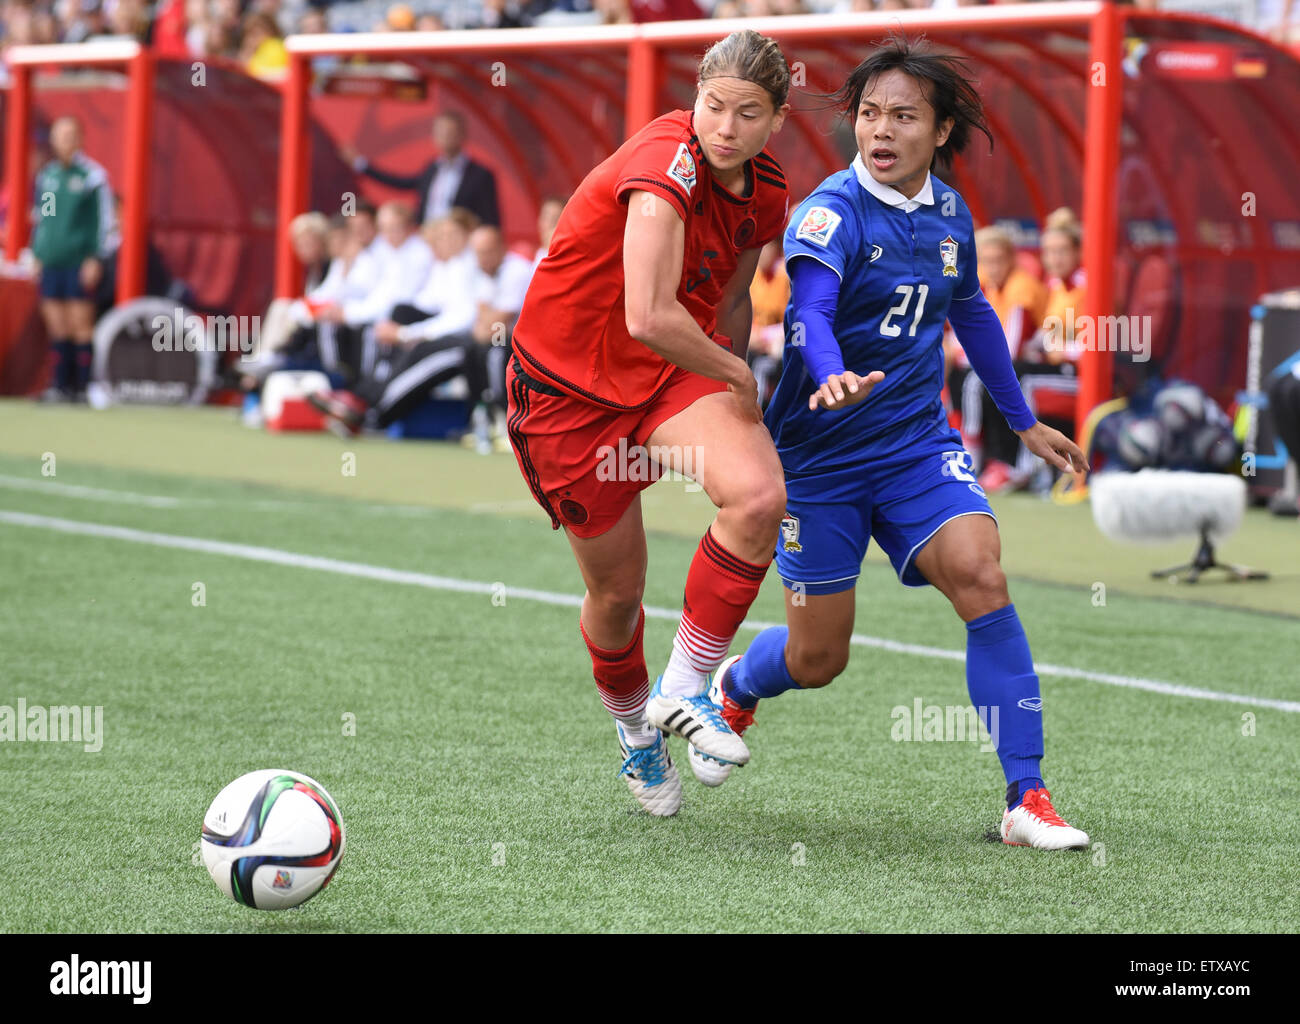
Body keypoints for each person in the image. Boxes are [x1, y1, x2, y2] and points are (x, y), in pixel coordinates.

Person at [697, 34, 1092, 851]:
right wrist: (832, 371)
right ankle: (736, 682)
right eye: (870, 114)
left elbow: (972, 311)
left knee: (982, 573)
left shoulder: (949, 212)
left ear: (941, 130)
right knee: (817, 659)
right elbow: (809, 311)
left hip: (916, 446)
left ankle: (1027, 798)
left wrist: (1022, 420)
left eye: (904, 116)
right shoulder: (831, 210)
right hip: (817, 461)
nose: (881, 130)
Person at [505, 29, 792, 817]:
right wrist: (740, 373)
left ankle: (685, 686)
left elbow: (731, 300)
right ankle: (636, 731)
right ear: (692, 97)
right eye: (712, 105)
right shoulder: (666, 159)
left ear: (776, 119)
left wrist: (729, 383)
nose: (725, 126)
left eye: (748, 112)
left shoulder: (768, 188)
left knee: (760, 496)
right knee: (618, 593)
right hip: (567, 393)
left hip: (670, 370)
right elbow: (646, 313)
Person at [29, 116, 117, 402]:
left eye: (70, 136)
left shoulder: (91, 176)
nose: (64, 141)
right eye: (59, 135)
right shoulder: (49, 177)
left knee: (80, 322)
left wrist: (95, 257)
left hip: (79, 260)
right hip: (52, 260)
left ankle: (84, 386)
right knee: (56, 323)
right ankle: (59, 385)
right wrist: (39, 252)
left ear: (79, 139)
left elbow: (102, 220)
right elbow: (47, 218)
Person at [352, 112, 500, 229]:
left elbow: (490, 218)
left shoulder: (480, 175)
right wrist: (363, 166)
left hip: (460, 244)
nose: (445, 137)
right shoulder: (432, 169)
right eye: (440, 132)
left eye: (450, 132)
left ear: (462, 135)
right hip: (428, 238)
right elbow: (401, 183)